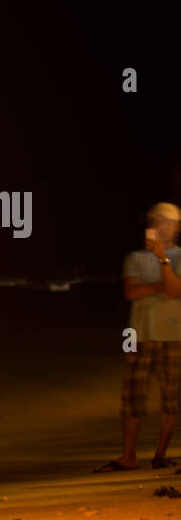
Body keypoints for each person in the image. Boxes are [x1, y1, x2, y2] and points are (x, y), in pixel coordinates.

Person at [96, 201, 181, 472]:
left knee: (170, 397)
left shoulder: (179, 256)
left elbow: (175, 292)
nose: (158, 226)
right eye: (154, 221)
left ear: (176, 227)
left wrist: (162, 260)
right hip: (136, 334)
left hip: (174, 334)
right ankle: (128, 456)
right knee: (132, 397)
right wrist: (162, 285)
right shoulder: (134, 258)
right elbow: (132, 292)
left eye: (164, 221)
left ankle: (160, 454)